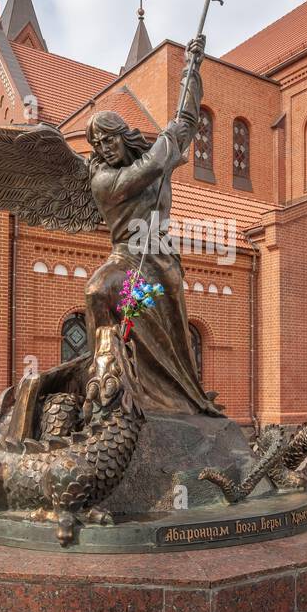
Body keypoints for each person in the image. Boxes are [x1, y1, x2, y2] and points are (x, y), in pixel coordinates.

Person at [82, 37, 221, 416]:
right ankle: (104, 375)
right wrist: (168, 142)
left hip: (160, 263)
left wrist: (192, 71)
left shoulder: (155, 158)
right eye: (97, 144)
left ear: (122, 134)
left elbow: (189, 122)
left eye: (109, 138)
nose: (104, 148)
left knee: (166, 337)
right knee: (99, 290)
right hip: (128, 257)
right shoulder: (103, 180)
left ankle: (174, 396)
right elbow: (144, 172)